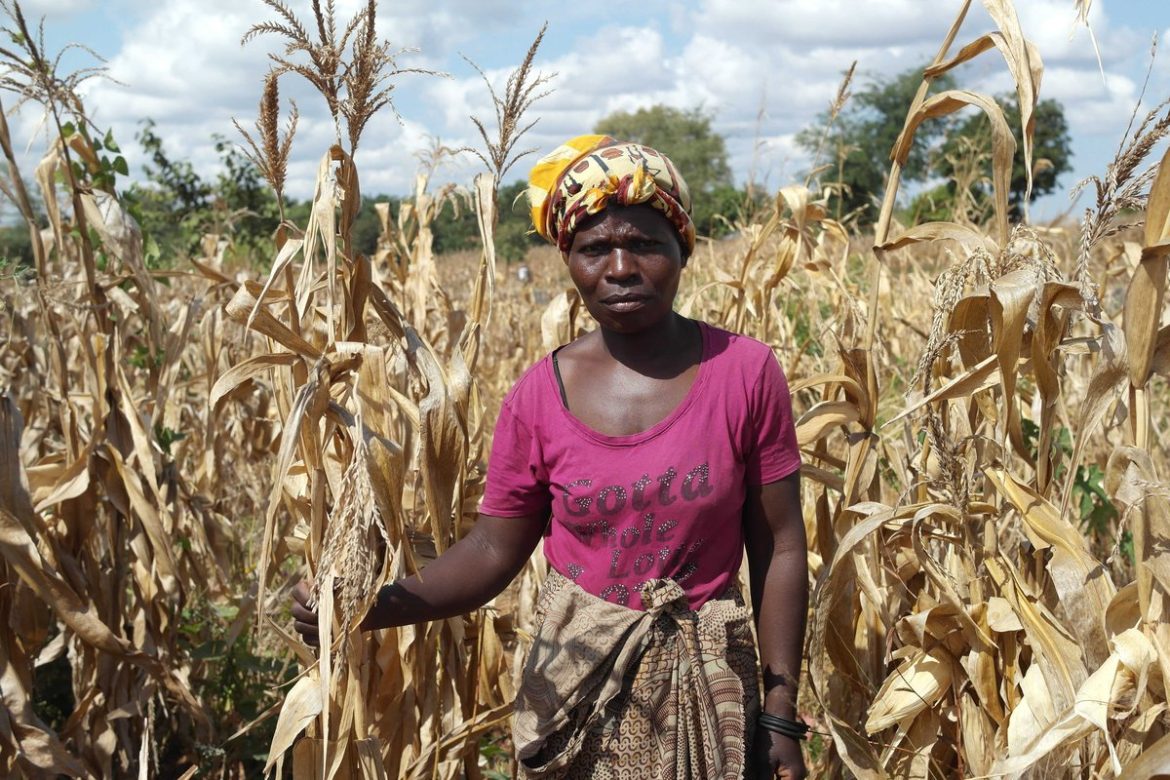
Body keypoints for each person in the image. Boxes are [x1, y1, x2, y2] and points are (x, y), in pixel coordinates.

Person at [293, 135, 808, 779]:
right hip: (573, 690)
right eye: (594, 249)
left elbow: (780, 546)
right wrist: (370, 606)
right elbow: (492, 550)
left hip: (708, 689)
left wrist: (780, 716)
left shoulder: (744, 373)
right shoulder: (538, 398)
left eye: (646, 244)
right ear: (568, 259)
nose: (620, 267)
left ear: (683, 249)